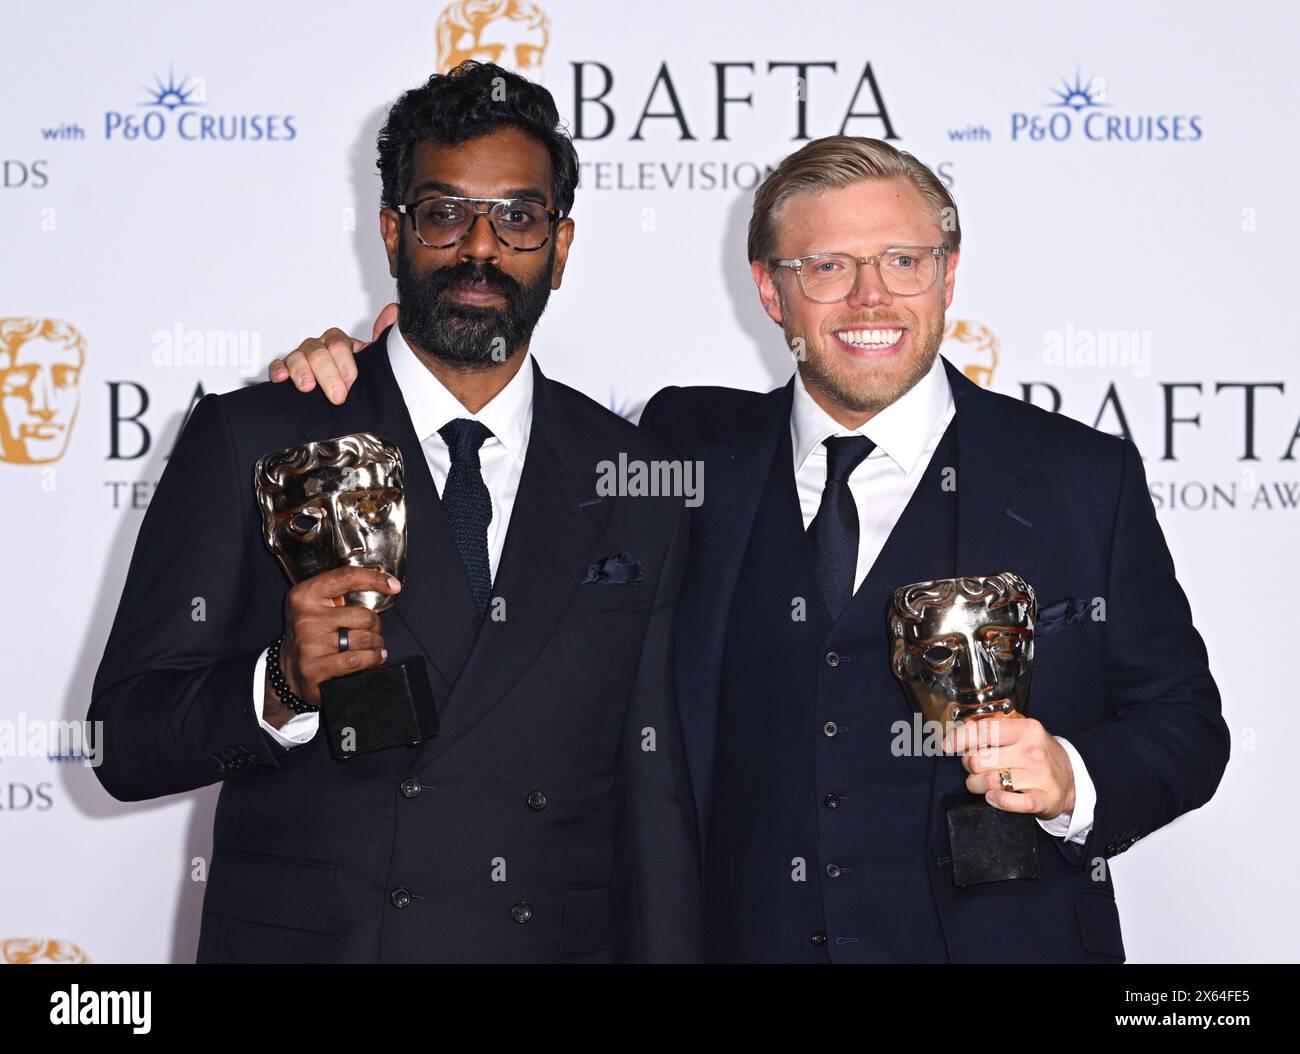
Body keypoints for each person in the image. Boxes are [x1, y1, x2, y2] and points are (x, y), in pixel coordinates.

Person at [271, 135, 1229, 962]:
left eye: (903, 260)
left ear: (948, 273)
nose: (870, 298)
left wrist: (1073, 776)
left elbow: (1185, 724)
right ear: (772, 290)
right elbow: (492, 423)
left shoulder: (1076, 475)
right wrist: (374, 372)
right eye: (827, 267)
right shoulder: (685, 451)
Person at [89, 60, 702, 963]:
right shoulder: (254, 435)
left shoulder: (634, 474)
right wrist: (280, 686)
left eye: (518, 218)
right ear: (393, 231)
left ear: (560, 248)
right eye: (445, 213)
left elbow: (653, 796)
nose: (480, 249)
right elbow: (125, 741)